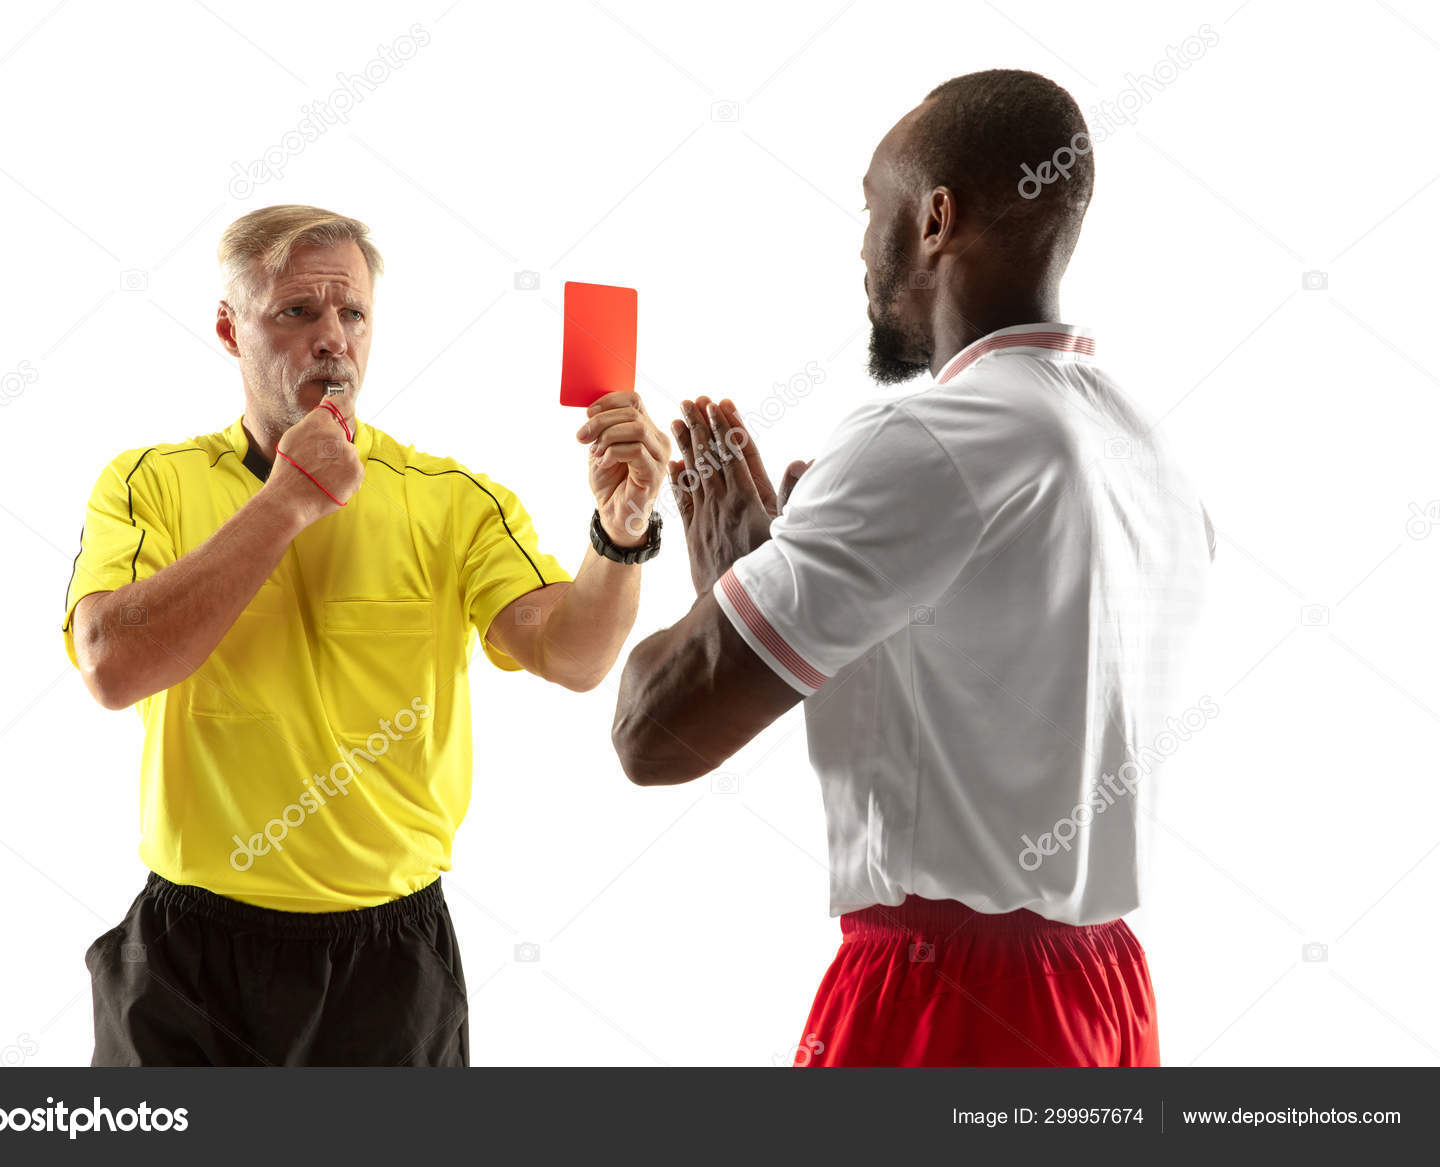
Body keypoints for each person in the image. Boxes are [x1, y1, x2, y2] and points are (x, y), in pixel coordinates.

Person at [611, 70, 1214, 1067]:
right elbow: (989, 681)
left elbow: (652, 736)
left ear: (935, 217)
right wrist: (802, 582)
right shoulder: (1139, 446)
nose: (859, 243)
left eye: (869, 206)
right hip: (1107, 996)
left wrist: (724, 583)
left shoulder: (929, 440)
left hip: (950, 999)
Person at [63, 204, 669, 1066]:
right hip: (187, 958)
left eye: (352, 313)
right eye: (296, 312)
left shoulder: (451, 498)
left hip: (386, 969)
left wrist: (619, 532)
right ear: (232, 330)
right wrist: (287, 502)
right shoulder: (147, 483)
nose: (332, 338)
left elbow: (573, 652)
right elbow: (110, 664)